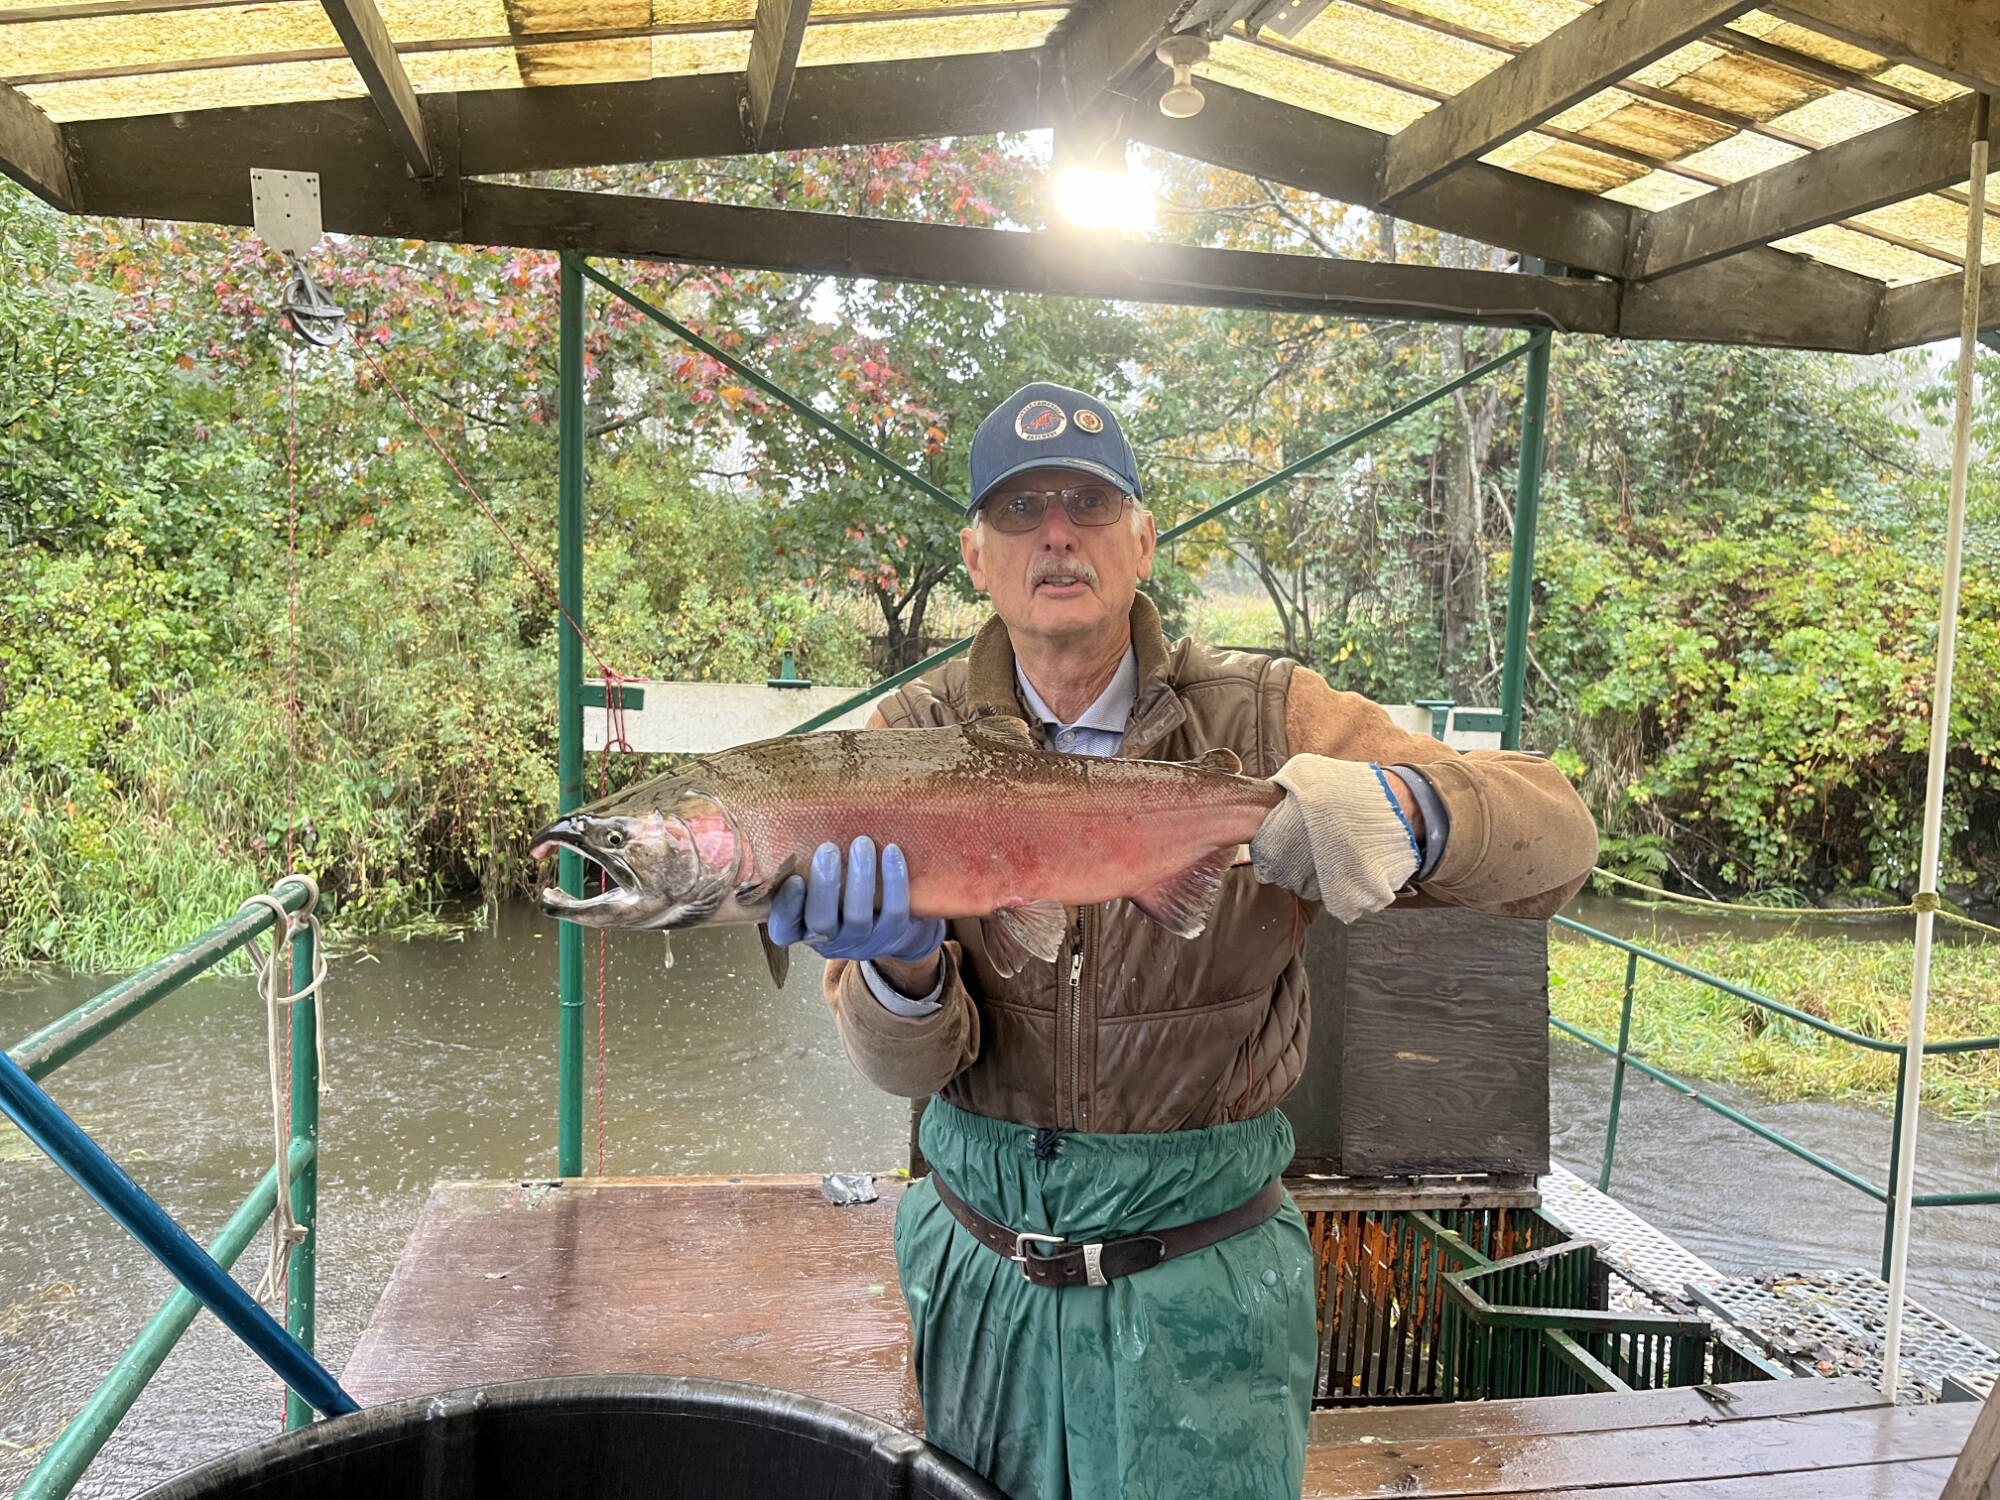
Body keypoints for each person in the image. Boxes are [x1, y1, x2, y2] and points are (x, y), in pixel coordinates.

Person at [768, 382, 1597, 1500]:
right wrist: (899, 966)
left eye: (1088, 502)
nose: (1055, 532)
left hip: (1203, 1283)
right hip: (976, 1273)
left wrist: (1408, 809)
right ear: (975, 555)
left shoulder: (1264, 716)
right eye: (1018, 511)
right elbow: (900, 1070)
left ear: (1142, 538)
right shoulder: (908, 741)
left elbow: (1556, 838)